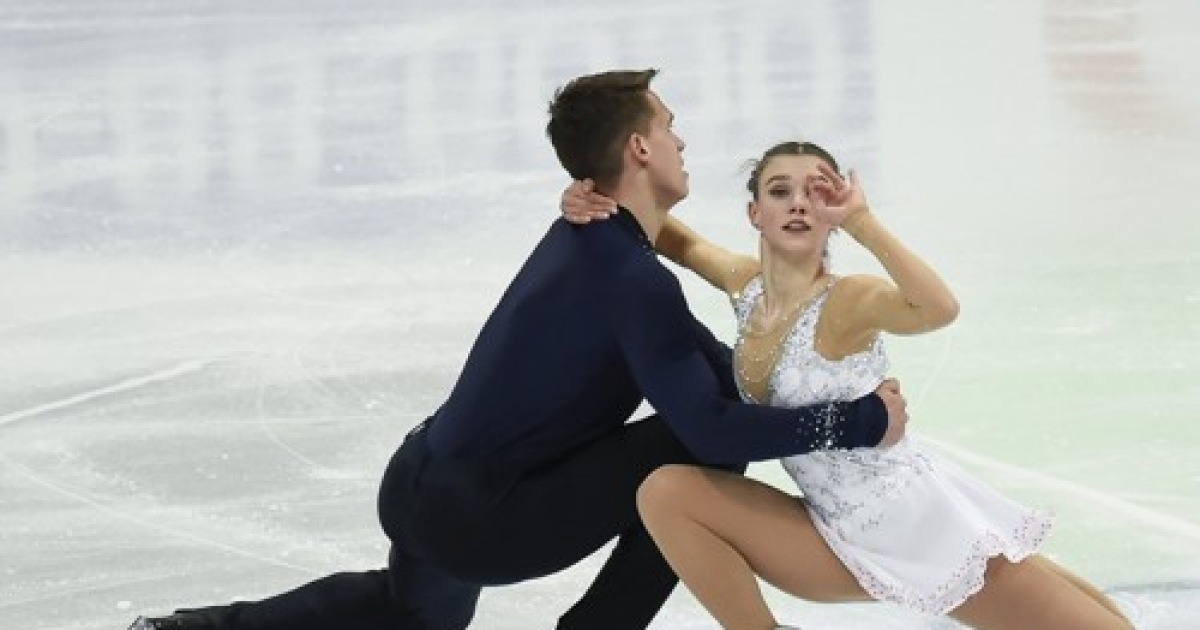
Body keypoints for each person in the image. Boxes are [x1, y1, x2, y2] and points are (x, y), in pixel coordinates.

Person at [127, 71, 907, 630]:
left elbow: (710, 368)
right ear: (638, 149)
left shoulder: (587, 234)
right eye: (669, 126)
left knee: (410, 615)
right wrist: (857, 421)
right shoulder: (629, 279)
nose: (681, 139)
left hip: (418, 483)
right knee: (698, 456)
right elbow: (709, 424)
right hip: (485, 520)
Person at [562, 140, 1134, 629]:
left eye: (819, 191)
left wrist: (862, 222)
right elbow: (674, 240)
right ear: (754, 212)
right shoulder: (747, 287)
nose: (799, 203)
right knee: (667, 492)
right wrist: (593, 199)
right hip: (830, 531)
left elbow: (938, 308)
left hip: (916, 528)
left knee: (1106, 623)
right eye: (780, 190)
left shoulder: (847, 300)